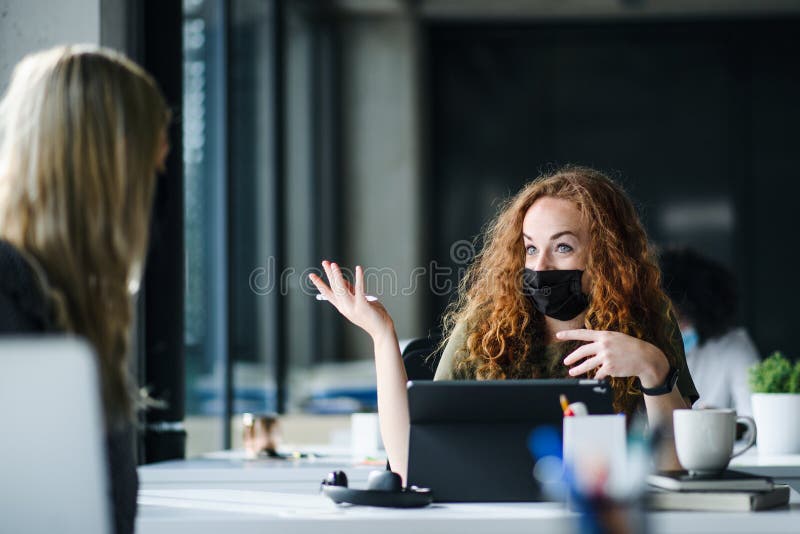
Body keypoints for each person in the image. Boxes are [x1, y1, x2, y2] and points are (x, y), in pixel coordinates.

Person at [310, 166, 698, 482]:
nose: (540, 266)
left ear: (608, 257)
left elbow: (673, 465)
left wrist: (652, 367)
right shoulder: (488, 323)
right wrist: (382, 335)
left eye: (562, 247)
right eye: (531, 248)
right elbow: (408, 460)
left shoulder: (647, 317)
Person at [0, 45, 170, 534]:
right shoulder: (12, 308)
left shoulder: (69, 311)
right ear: (108, 178)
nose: (150, 203)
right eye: (146, 175)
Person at [660, 247, 759, 417]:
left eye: (682, 319)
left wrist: (720, 421)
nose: (676, 329)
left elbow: (754, 419)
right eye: (669, 319)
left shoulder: (735, 346)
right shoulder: (645, 346)